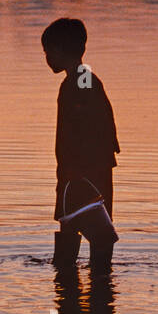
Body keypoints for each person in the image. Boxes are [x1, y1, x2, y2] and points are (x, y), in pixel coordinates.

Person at [41, 18, 120, 270]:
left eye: (48, 51)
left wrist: (74, 170)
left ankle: (69, 279)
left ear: (60, 50)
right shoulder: (85, 79)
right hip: (88, 168)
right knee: (83, 225)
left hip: (81, 170)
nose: (46, 57)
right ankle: (92, 283)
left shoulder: (78, 82)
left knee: (82, 227)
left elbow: (86, 127)